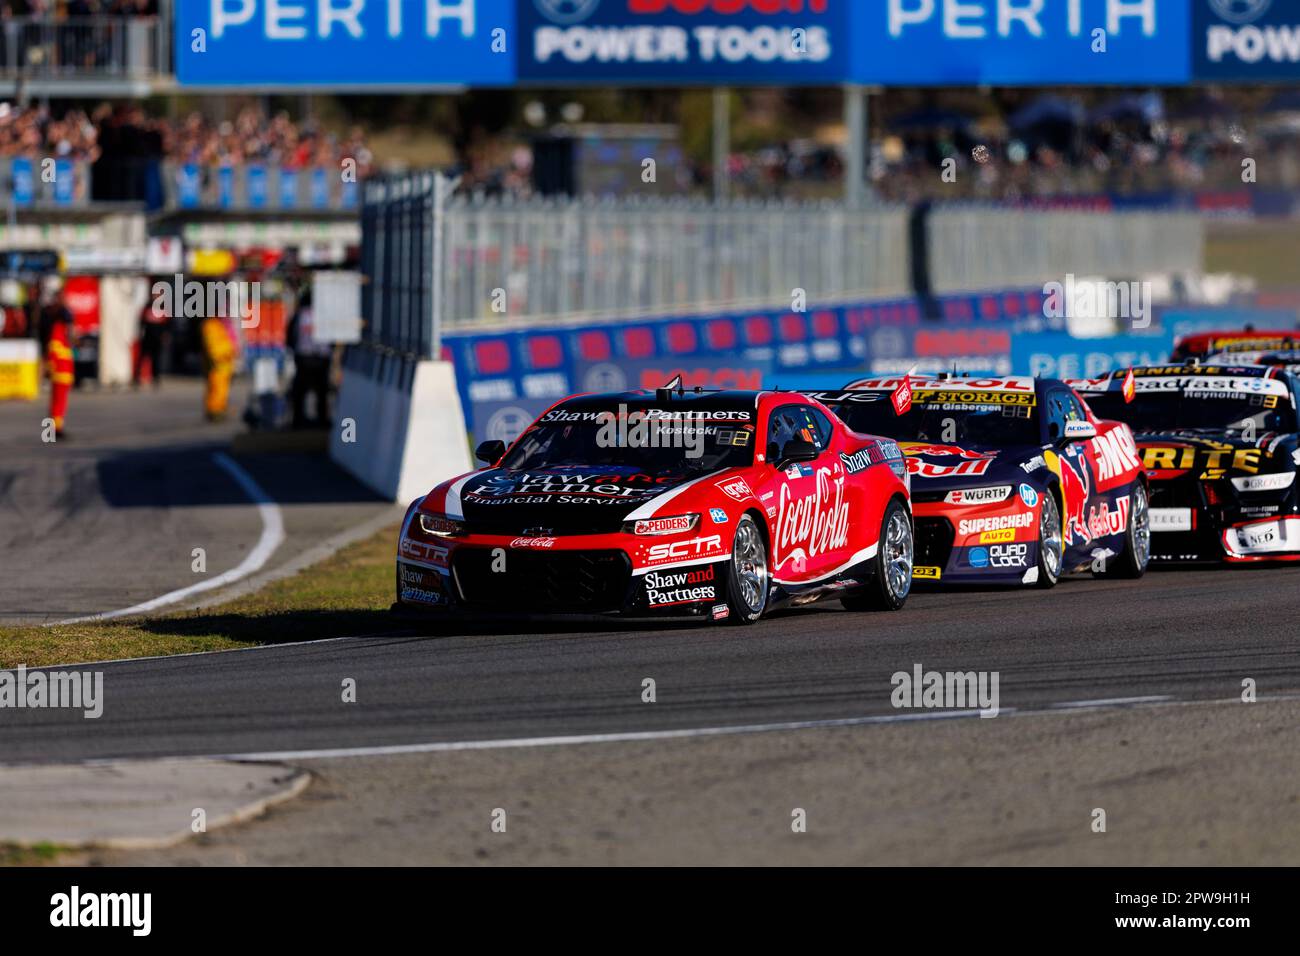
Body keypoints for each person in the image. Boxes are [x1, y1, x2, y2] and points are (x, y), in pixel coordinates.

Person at [287, 289, 332, 428]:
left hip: (304, 357)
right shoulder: (325, 315)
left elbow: (290, 336)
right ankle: (322, 421)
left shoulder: (299, 315)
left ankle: (298, 421)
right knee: (322, 392)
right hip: (322, 357)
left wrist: (294, 351)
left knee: (300, 392)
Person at [43, 292, 75, 438]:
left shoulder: (63, 334)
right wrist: (50, 368)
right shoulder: (58, 330)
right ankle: (52, 432)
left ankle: (55, 430)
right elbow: (53, 351)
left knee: (59, 403)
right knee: (56, 403)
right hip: (59, 372)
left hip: (64, 372)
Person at [200, 313, 236, 421]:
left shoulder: (220, 324)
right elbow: (212, 346)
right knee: (216, 388)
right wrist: (226, 352)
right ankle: (214, 411)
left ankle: (219, 409)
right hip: (217, 364)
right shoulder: (210, 325)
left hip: (225, 364)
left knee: (222, 389)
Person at [133, 289, 170, 388]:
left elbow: (167, 324)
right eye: (155, 295)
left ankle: (156, 378)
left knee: (156, 358)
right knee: (143, 357)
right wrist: (141, 332)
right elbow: (141, 321)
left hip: (157, 337)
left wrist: (165, 335)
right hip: (147, 336)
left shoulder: (163, 307)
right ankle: (137, 377)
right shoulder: (148, 306)